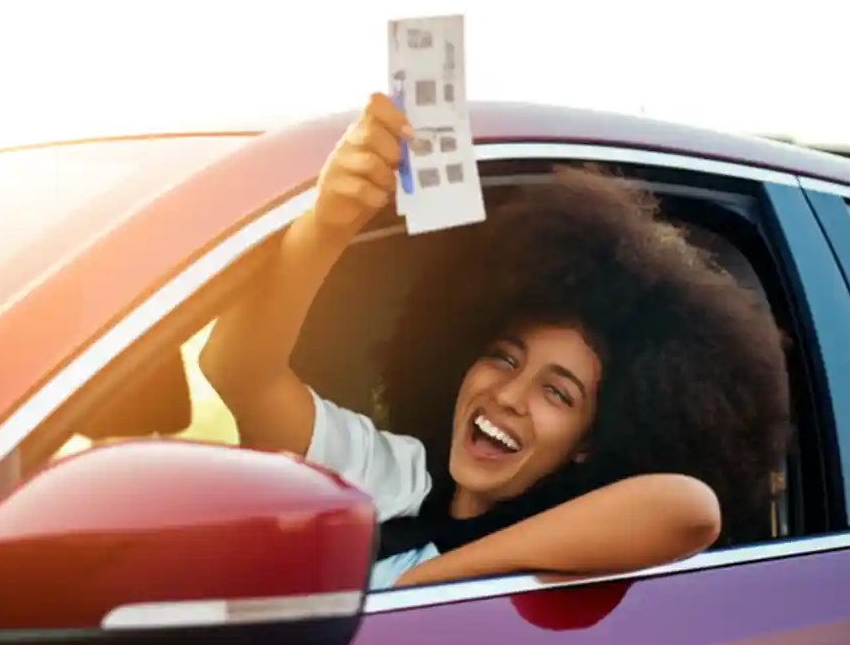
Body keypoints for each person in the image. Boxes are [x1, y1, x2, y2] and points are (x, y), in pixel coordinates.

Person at [200, 94, 790, 589]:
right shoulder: (404, 474)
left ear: (588, 443)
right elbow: (239, 373)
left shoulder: (573, 543)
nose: (509, 395)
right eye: (504, 357)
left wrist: (424, 583)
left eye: (558, 394)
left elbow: (689, 509)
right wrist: (327, 223)